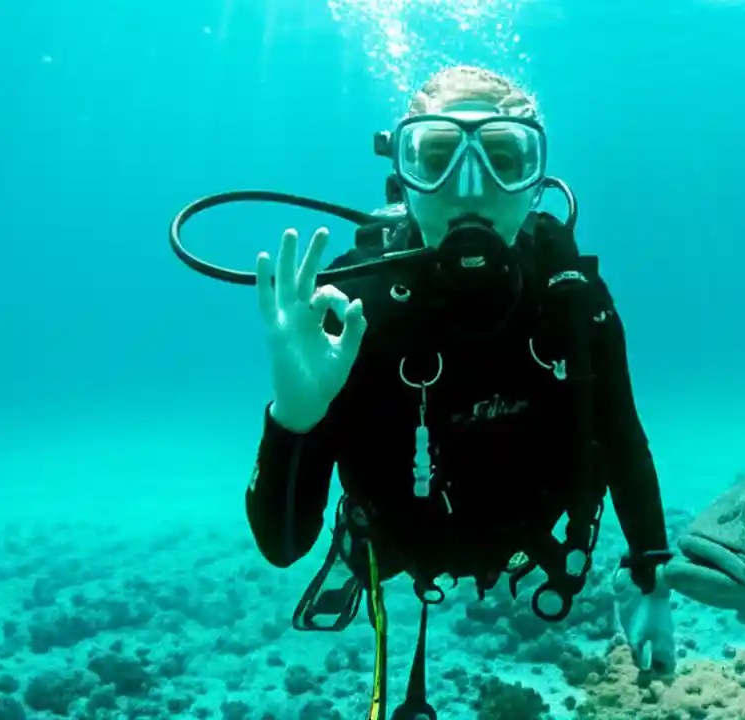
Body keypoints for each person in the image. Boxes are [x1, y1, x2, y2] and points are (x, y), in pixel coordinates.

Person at [243, 65, 675, 719]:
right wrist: (294, 419)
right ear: (403, 179)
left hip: (532, 539)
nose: (470, 188)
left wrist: (649, 571)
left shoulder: (571, 300)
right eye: (437, 158)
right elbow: (282, 546)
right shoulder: (351, 310)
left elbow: (621, 433)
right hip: (395, 544)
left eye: (504, 158)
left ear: (535, 183)